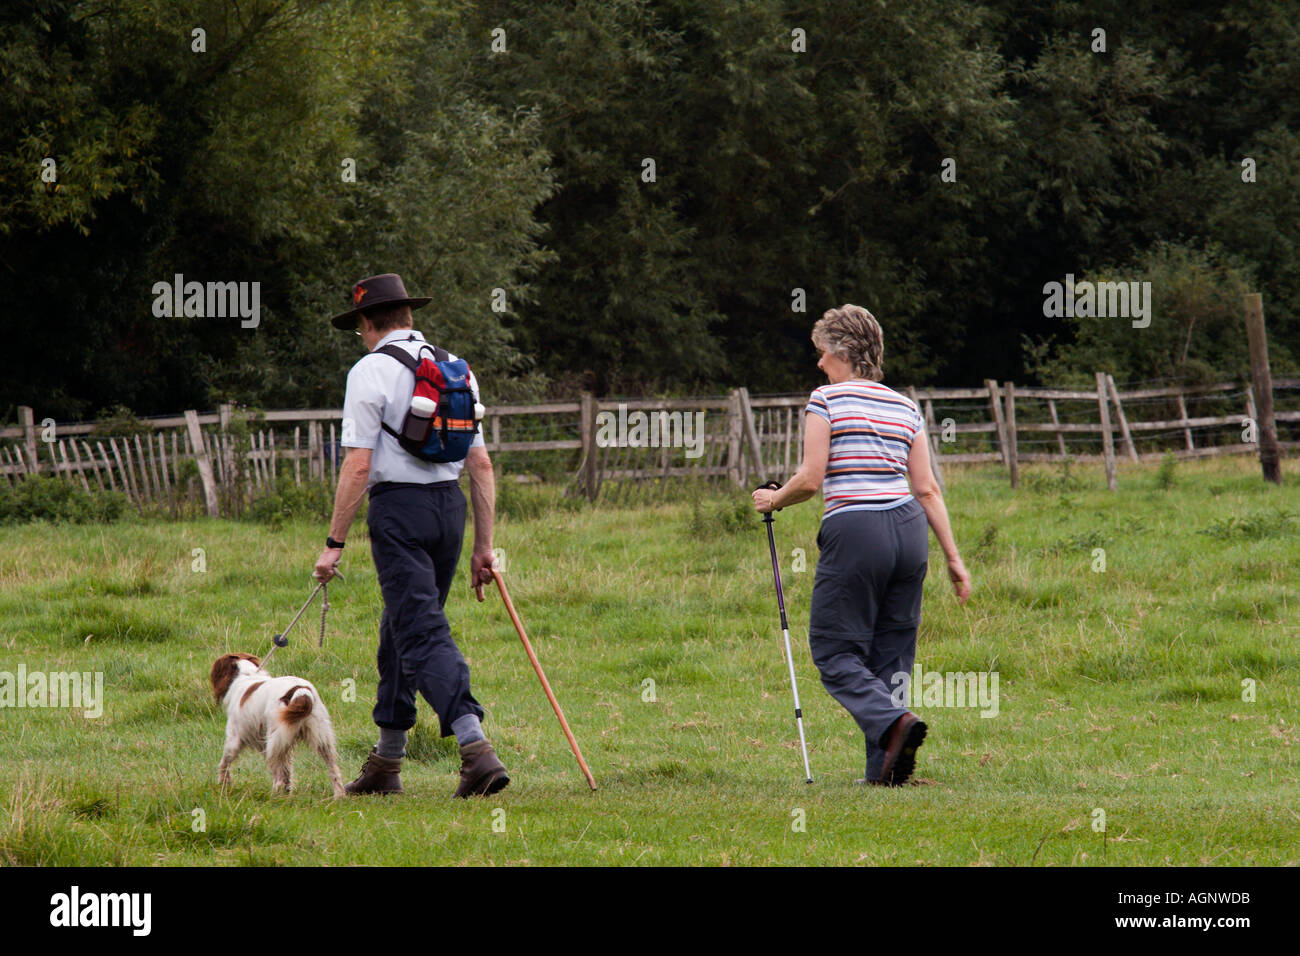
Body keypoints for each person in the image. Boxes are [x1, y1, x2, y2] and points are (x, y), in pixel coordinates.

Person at [752, 304, 971, 786]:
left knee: (834, 652)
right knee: (891, 658)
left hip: (857, 530)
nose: (819, 364)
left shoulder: (825, 401)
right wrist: (954, 558)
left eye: (822, 353)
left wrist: (773, 500)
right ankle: (887, 774)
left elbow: (810, 479)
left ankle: (895, 724)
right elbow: (928, 489)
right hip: (910, 532)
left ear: (843, 352)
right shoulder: (904, 405)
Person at [313, 272, 508, 799]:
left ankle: (476, 749)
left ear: (367, 324)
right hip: (450, 510)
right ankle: (387, 763)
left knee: (421, 630)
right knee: (401, 626)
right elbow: (482, 465)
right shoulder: (454, 368)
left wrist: (334, 543)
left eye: (359, 327)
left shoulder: (369, 370)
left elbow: (358, 467)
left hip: (399, 510)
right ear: (408, 317)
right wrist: (484, 548)